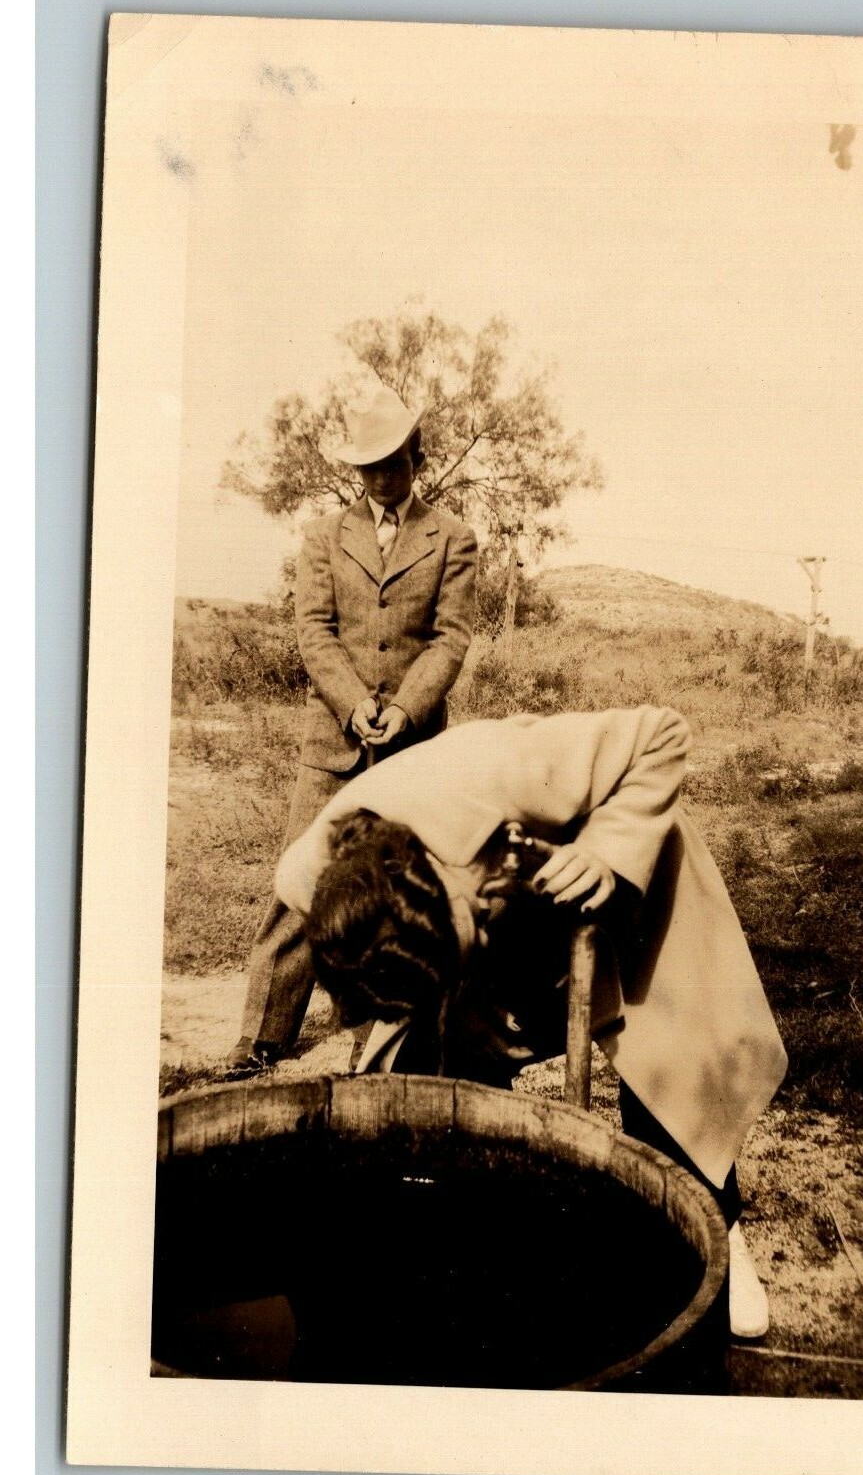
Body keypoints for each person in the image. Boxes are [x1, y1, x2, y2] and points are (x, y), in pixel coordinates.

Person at [275, 705, 788, 1338]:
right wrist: (466, 1010)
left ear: (443, 872)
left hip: (625, 866)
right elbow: (394, 996)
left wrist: (607, 852)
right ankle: (480, 1239)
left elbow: (662, 732)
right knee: (435, 1079)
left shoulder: (502, 771)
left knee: (671, 1071)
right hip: (492, 909)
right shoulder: (310, 880)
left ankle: (716, 1224)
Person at [227, 382, 478, 1074]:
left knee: (399, 896)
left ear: (417, 459)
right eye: (366, 466)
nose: (378, 478)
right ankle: (262, 1039)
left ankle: (388, 1045)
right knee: (297, 884)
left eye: (391, 463)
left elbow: (451, 639)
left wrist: (404, 709)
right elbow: (314, 631)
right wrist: (350, 704)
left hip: (412, 751)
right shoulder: (322, 538)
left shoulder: (454, 538)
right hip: (332, 748)